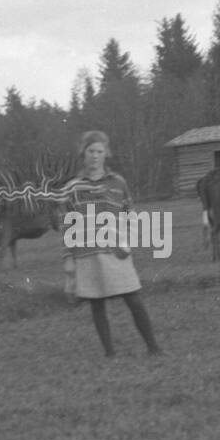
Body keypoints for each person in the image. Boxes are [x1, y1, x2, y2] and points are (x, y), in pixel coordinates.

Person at [63, 131, 162, 358]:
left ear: (106, 154)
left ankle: (154, 348)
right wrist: (68, 258)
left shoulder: (118, 182)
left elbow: (129, 213)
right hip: (87, 254)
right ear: (83, 153)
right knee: (97, 304)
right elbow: (66, 225)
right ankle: (110, 353)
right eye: (91, 151)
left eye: (99, 151)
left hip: (116, 253)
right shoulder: (73, 187)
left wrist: (127, 240)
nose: (95, 156)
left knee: (134, 298)